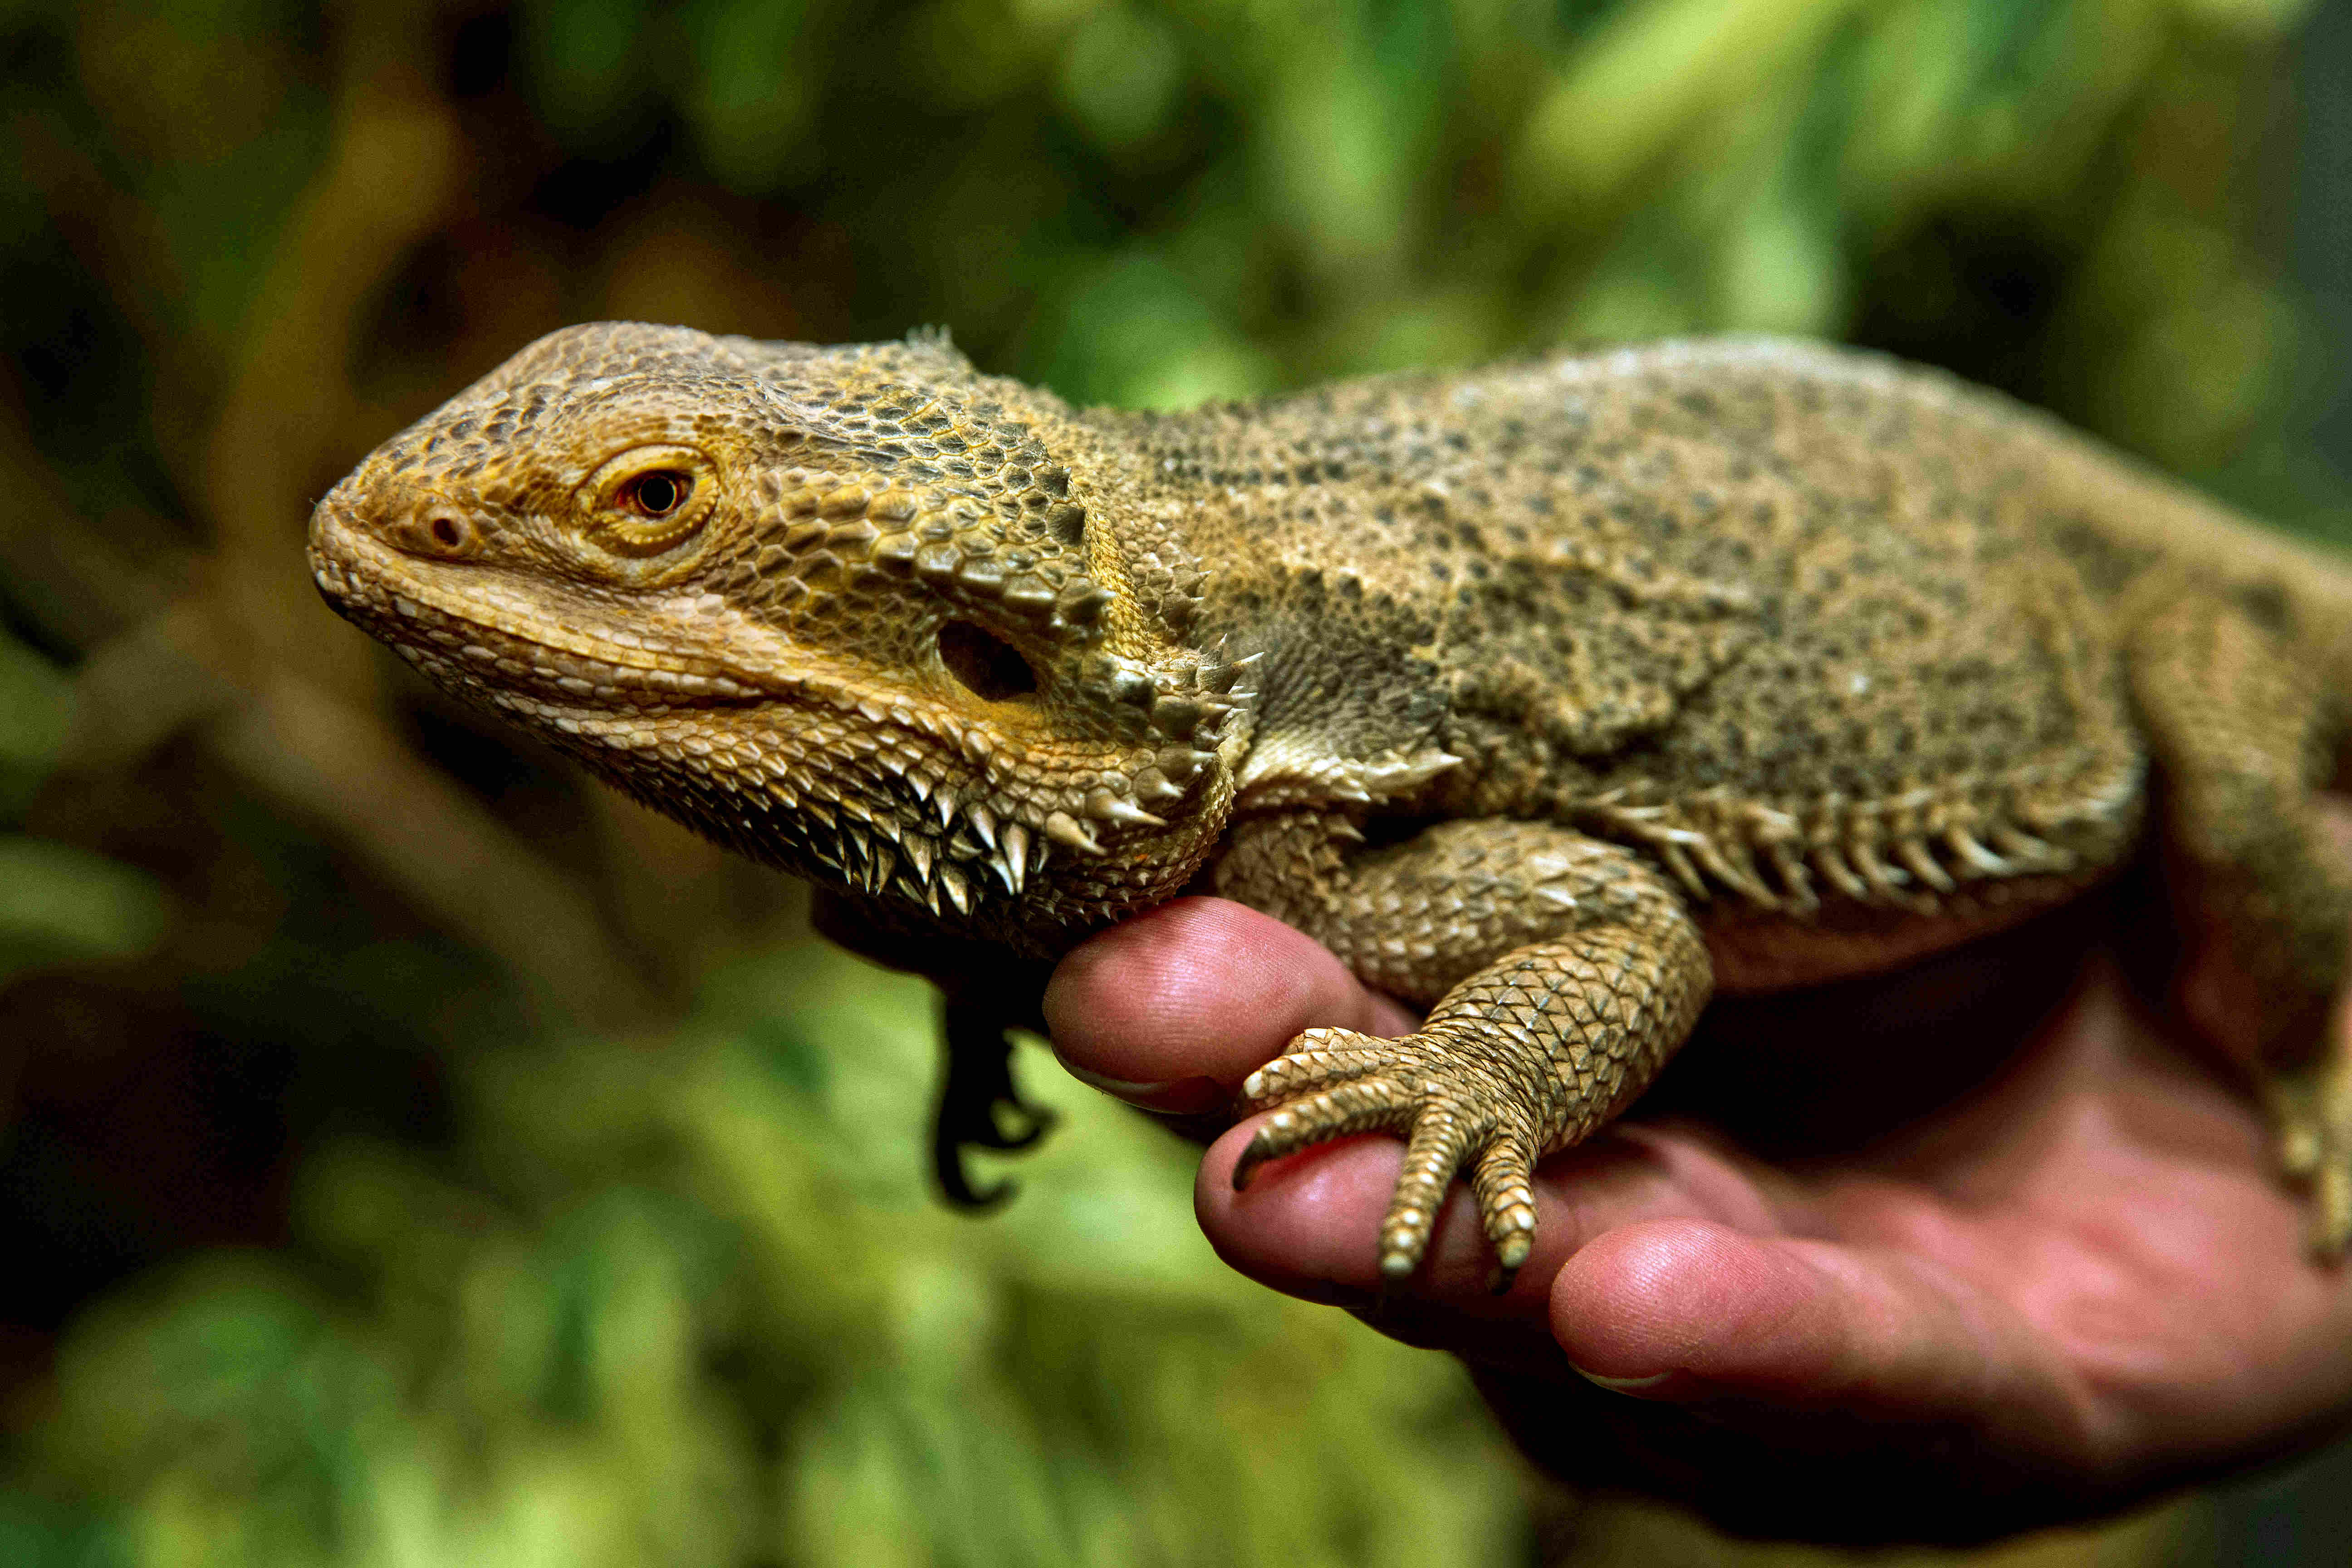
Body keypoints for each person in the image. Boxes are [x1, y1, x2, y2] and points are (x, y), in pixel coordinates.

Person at [825, 834, 2352, 1544]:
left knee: (2249, 807)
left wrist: (1492, 1073)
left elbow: (1628, 941)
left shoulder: (1320, 843)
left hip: (2119, 640)